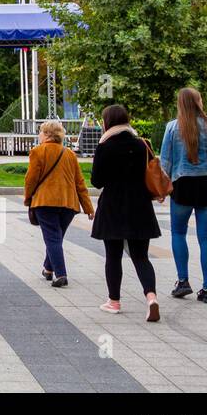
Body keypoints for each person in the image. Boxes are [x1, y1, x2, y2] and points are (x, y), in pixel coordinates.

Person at [161, 88, 207, 304]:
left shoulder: (173, 128)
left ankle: (183, 281)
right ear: (197, 102)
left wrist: (161, 189)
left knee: (178, 232)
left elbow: (165, 162)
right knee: (206, 238)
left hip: (182, 184)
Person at [91, 104, 161, 321]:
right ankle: (151, 297)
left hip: (113, 206)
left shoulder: (105, 146)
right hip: (139, 206)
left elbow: (97, 181)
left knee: (113, 256)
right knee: (141, 256)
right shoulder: (142, 145)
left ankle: (114, 301)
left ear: (107, 122)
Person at [24, 120, 93, 287]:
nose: (39, 135)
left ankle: (60, 274)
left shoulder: (37, 152)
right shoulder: (69, 154)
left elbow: (31, 179)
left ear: (47, 134)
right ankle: (48, 269)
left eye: (40, 132)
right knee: (56, 237)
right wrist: (88, 207)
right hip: (69, 204)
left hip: (45, 202)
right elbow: (80, 183)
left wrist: (28, 198)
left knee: (53, 239)